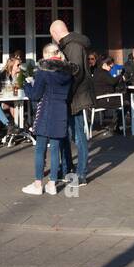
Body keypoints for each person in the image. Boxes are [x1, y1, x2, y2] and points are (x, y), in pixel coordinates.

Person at [22, 43, 75, 196]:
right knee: (55, 149)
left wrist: (25, 85)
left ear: (45, 55)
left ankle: (38, 184)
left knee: (40, 149)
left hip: (46, 111)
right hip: (61, 111)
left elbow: (35, 95)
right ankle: (52, 184)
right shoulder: (68, 73)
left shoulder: (43, 72)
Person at [51, 19, 93, 189]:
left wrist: (64, 89)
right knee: (67, 134)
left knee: (77, 135)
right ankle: (68, 168)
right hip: (72, 96)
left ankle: (81, 174)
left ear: (55, 34)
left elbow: (76, 71)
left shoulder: (73, 46)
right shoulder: (71, 45)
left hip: (76, 97)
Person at [91, 55, 126, 133]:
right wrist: (120, 75)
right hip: (104, 100)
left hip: (99, 99)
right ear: (104, 65)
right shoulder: (103, 73)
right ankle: (114, 125)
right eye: (110, 66)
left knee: (123, 100)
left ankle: (114, 124)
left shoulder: (97, 71)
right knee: (126, 103)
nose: (111, 68)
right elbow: (112, 82)